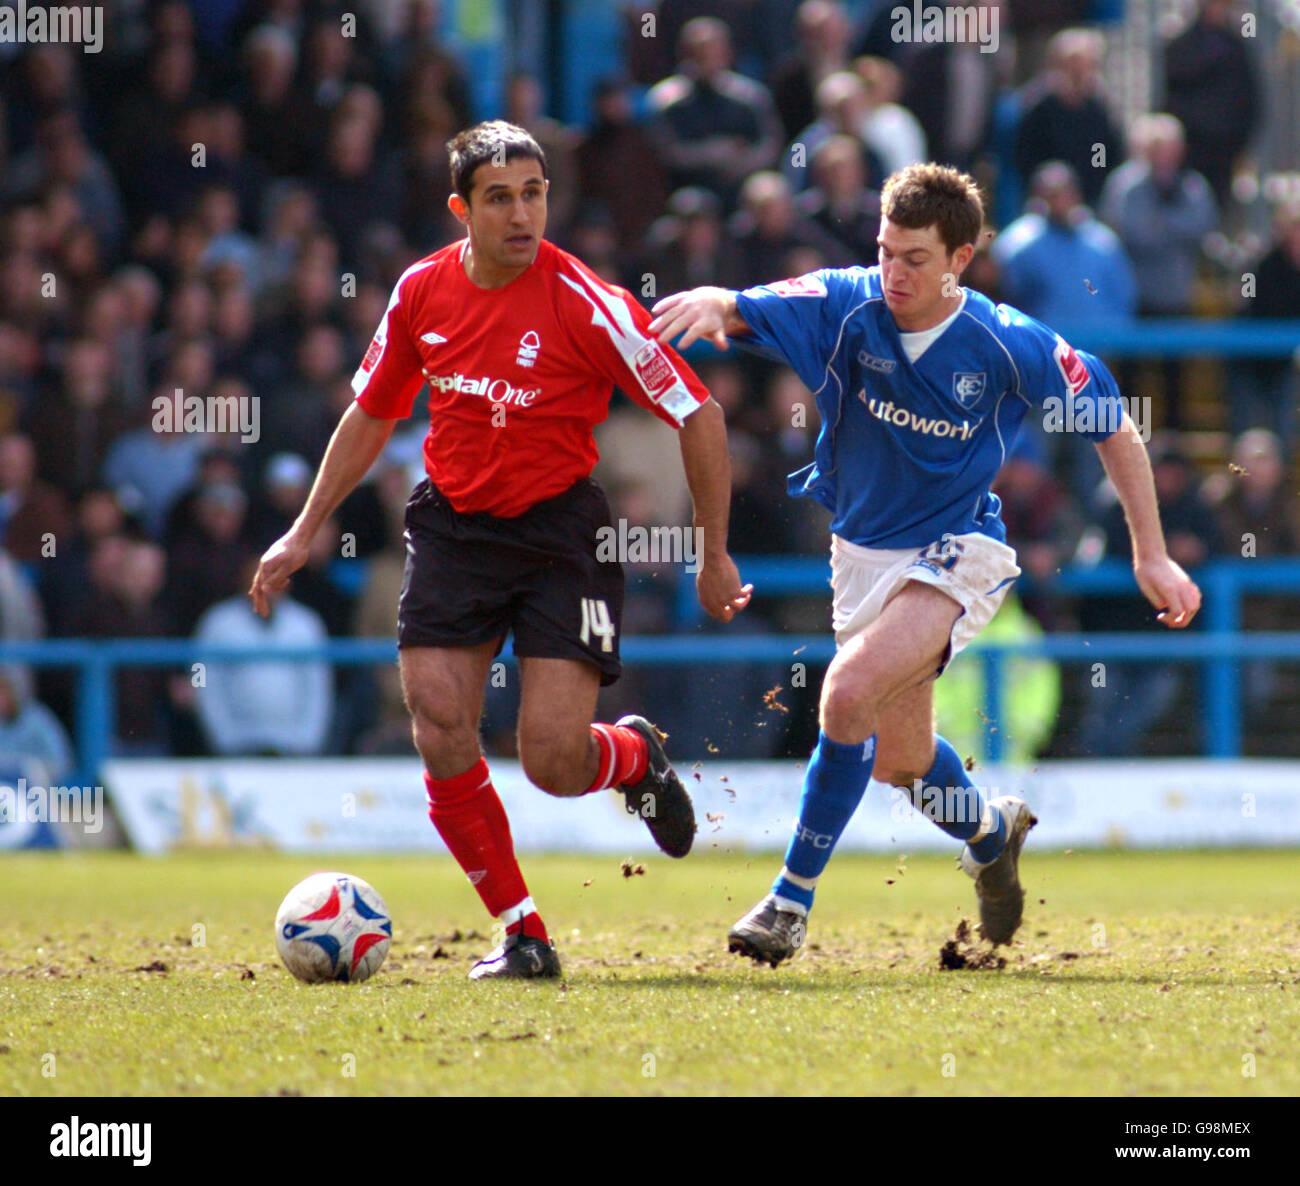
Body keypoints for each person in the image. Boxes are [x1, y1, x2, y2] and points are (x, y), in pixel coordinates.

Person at [650, 162, 1201, 965]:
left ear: (961, 258)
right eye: (885, 252)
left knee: (844, 692)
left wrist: (1149, 552)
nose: (894, 272)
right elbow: (744, 307)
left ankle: (789, 902)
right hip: (862, 556)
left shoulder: (1008, 342)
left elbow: (1115, 427)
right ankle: (989, 833)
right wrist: (716, 303)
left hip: (957, 552)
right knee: (902, 762)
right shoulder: (847, 304)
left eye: (915, 257)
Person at [250, 121, 749, 981]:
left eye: (535, 194)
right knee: (441, 724)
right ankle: (523, 932)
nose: (523, 214)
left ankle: (633, 755)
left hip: (561, 535)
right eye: (499, 198)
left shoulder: (590, 304)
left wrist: (714, 552)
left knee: (554, 762)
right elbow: (373, 411)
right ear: (461, 209)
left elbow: (698, 413)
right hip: (453, 527)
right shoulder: (419, 293)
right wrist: (305, 527)